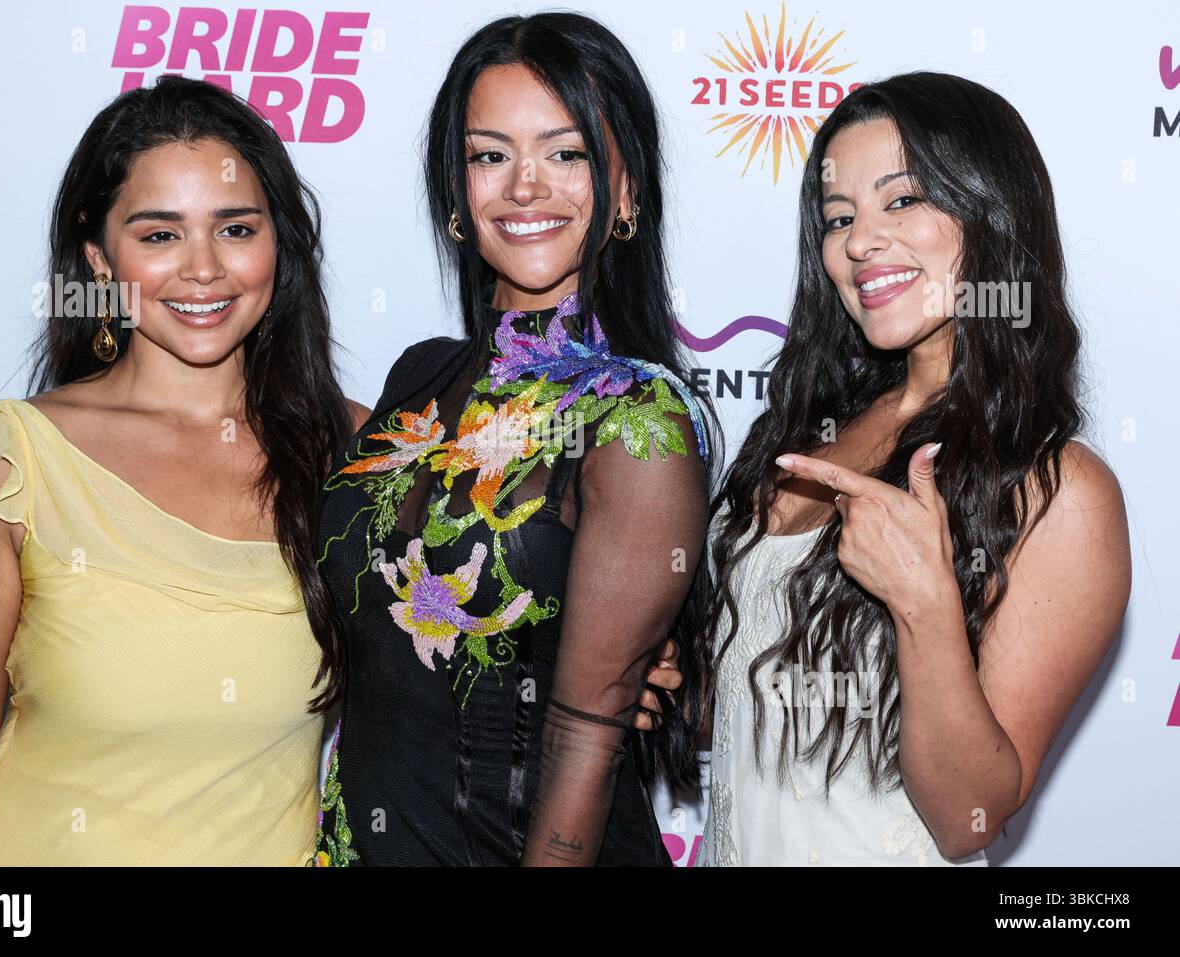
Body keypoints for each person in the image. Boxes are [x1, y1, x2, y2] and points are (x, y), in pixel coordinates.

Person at [0, 76, 365, 865]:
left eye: (235, 228)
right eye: (160, 235)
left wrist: (633, 647)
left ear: (279, 241)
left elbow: (481, 601)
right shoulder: (10, 464)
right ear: (100, 257)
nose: (202, 269)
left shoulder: (350, 448)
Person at [313, 13, 719, 866]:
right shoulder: (417, 377)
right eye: (490, 155)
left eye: (566, 153)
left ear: (628, 189)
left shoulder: (638, 420)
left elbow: (581, 744)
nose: (524, 187)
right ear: (457, 193)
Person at [698, 72, 1130, 866]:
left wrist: (925, 603)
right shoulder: (803, 430)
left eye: (902, 201)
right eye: (838, 217)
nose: (860, 241)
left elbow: (970, 818)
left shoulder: (1061, 490)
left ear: (992, 211)